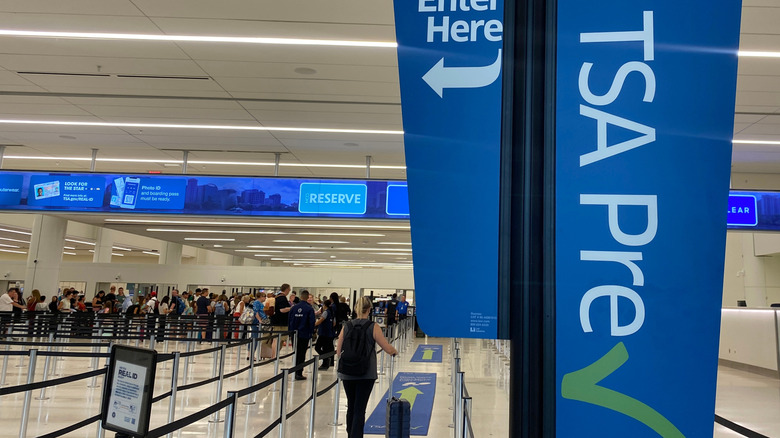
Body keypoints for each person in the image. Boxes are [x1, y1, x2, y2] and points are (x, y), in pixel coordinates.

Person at [337, 296, 398, 438]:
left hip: (347, 372)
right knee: (360, 408)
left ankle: (350, 434)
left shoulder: (347, 326)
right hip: (366, 373)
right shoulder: (373, 326)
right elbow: (386, 347)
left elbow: (338, 351)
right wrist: (394, 351)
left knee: (351, 406)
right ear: (369, 309)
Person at [288, 290, 315, 380]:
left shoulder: (293, 308)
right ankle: (299, 372)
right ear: (307, 297)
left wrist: (290, 332)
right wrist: (311, 333)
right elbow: (311, 322)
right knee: (302, 353)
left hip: (294, 334)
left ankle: (295, 370)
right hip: (304, 334)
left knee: (295, 352)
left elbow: (289, 320)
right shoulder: (309, 309)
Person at [315, 299, 336, 370]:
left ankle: (326, 360)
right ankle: (326, 361)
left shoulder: (325, 312)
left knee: (317, 347)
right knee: (327, 348)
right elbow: (334, 323)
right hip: (329, 333)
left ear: (324, 305)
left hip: (323, 334)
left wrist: (313, 325)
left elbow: (320, 321)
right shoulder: (332, 313)